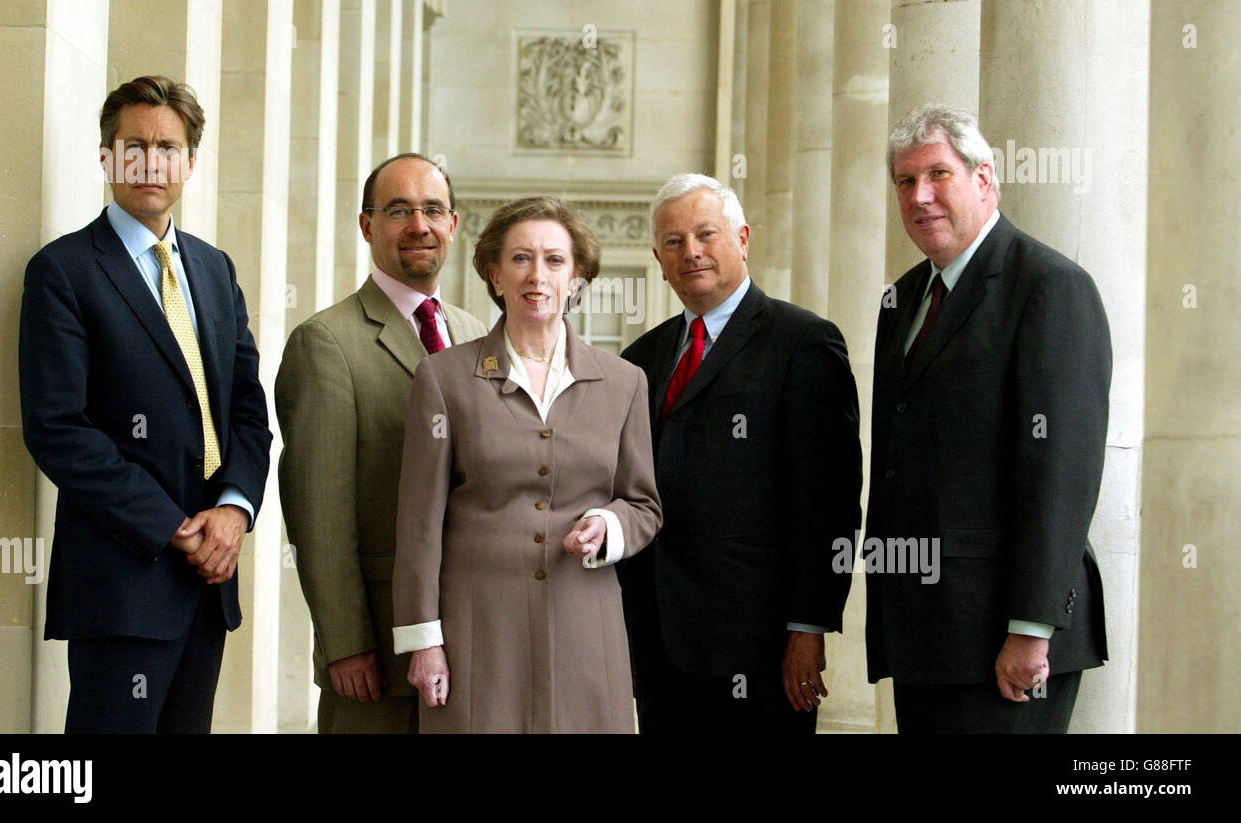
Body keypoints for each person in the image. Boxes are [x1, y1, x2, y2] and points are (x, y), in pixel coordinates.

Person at [18, 75, 272, 733]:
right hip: (123, 578)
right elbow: (57, 428)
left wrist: (234, 511)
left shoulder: (214, 270)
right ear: (107, 156)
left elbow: (247, 406)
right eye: (134, 145)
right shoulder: (65, 271)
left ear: (190, 163)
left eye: (168, 147)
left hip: (209, 580)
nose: (150, 162)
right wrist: (176, 526)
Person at [866, 103, 1111, 732]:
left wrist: (1030, 630)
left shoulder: (1050, 287)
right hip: (923, 635)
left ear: (984, 179)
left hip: (1006, 640)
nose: (920, 197)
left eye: (938, 175)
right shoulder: (904, 299)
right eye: (904, 181)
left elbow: (1061, 471)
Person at [391, 196, 662, 733]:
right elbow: (419, 523)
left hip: (587, 627)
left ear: (577, 277)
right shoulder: (443, 378)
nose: (537, 275)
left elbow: (644, 506)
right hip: (479, 632)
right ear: (494, 274)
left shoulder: (625, 381)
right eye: (520, 259)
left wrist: (608, 526)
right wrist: (425, 642)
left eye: (555, 260)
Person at [618, 174, 863, 735]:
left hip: (762, 642)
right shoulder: (641, 357)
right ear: (658, 259)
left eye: (706, 233)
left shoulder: (803, 342)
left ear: (744, 238)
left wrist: (809, 628)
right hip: (657, 639)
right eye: (674, 242)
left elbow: (829, 498)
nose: (692, 252)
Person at [275, 154, 487, 733]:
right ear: (368, 226)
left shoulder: (479, 337)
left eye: (432, 210)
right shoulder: (326, 342)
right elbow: (318, 510)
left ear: (454, 224)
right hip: (376, 656)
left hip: (474, 643)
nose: (419, 225)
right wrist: (343, 643)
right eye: (399, 211)